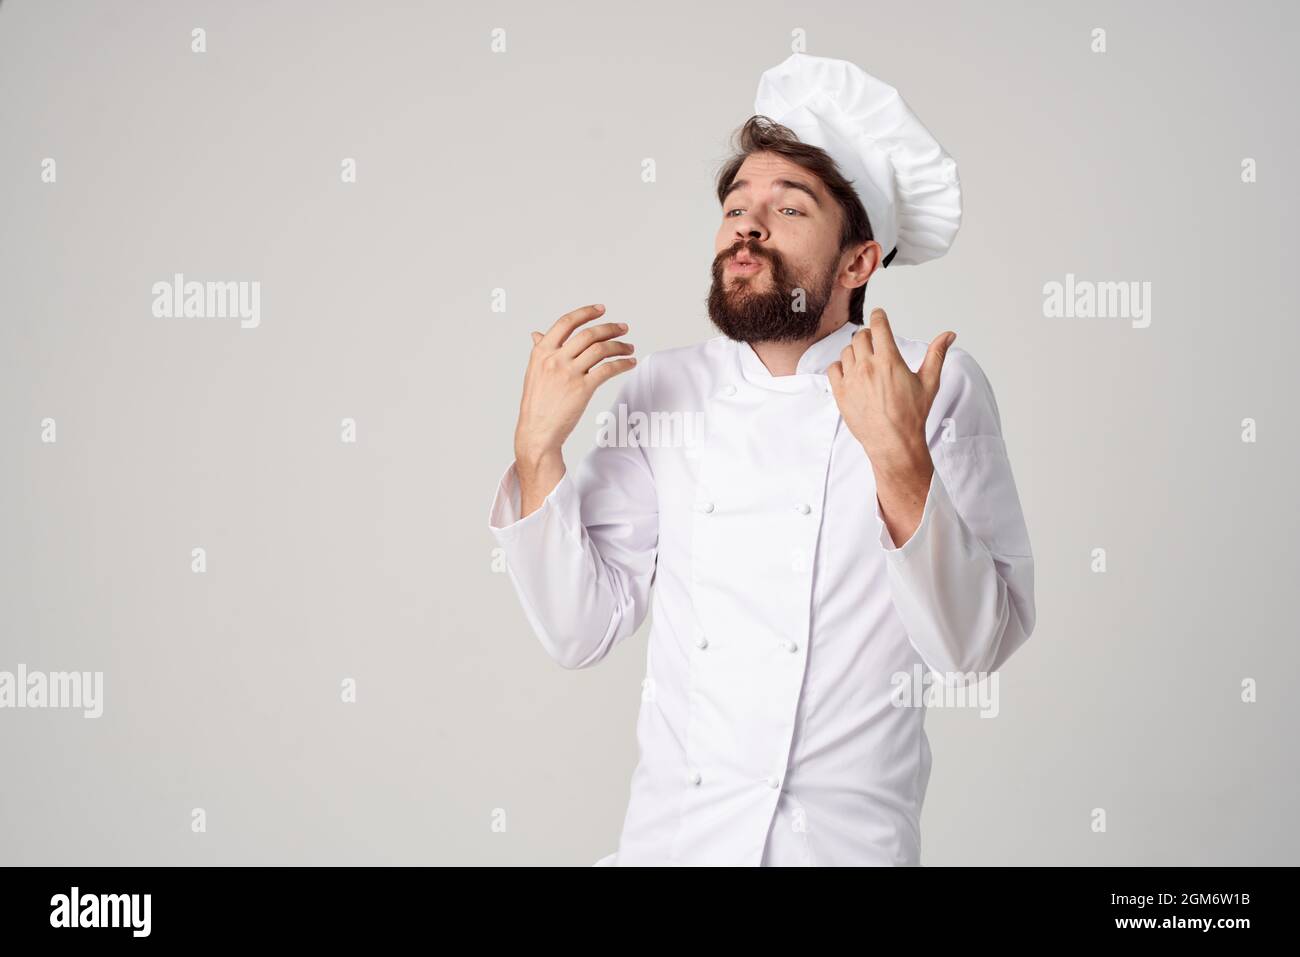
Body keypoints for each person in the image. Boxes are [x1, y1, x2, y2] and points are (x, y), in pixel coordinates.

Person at [487, 53, 1035, 866]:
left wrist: (901, 466)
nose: (749, 224)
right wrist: (537, 450)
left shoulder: (932, 384)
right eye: (736, 205)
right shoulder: (664, 390)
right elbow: (578, 630)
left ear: (858, 263)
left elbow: (971, 652)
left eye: (788, 208)